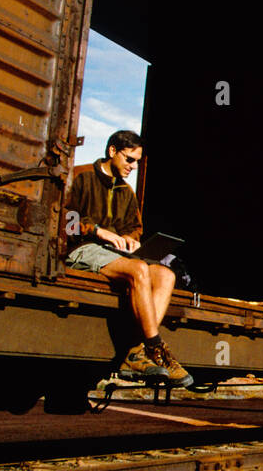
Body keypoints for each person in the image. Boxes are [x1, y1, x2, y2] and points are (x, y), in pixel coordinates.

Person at [62, 130, 193, 387]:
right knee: (139, 270)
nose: (133, 166)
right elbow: (65, 219)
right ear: (112, 151)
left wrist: (131, 239)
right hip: (82, 249)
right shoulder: (79, 176)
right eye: (129, 159)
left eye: (137, 161)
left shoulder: (126, 192)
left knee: (167, 275)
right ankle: (155, 348)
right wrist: (98, 231)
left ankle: (136, 353)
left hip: (114, 255)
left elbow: (135, 227)